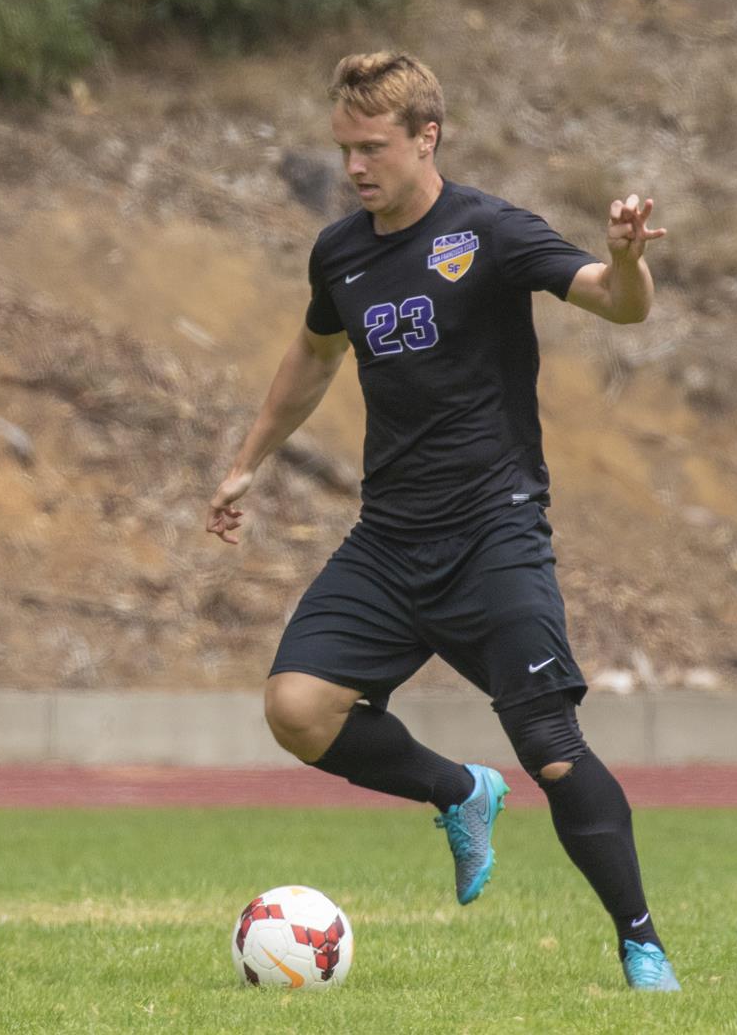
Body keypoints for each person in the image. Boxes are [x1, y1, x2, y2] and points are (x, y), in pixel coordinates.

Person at [206, 51, 678, 991]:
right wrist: (246, 460)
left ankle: (642, 943)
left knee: (551, 749)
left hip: (493, 532)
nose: (354, 168)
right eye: (344, 148)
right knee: (296, 708)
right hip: (389, 539)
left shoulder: (490, 232)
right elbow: (311, 356)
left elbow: (615, 305)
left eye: (373, 147)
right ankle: (460, 792)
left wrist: (627, 260)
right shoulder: (340, 251)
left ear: (428, 138)